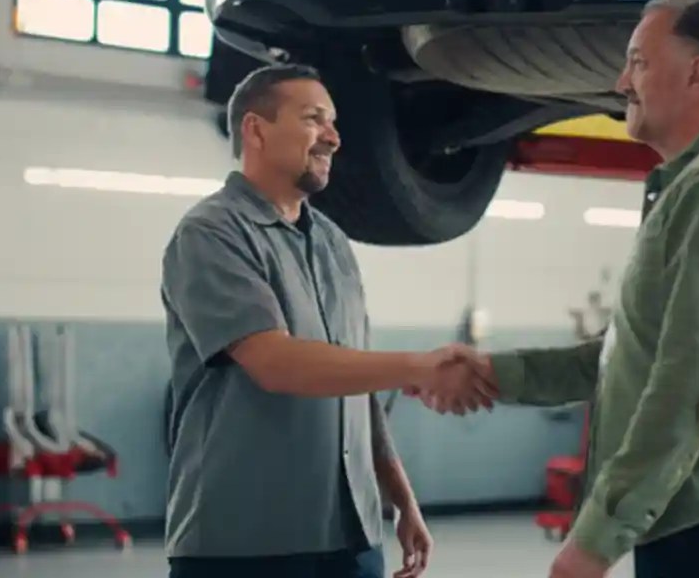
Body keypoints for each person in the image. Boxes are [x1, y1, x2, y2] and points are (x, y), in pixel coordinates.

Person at [415, 0, 699, 578]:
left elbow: (695, 379)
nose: (622, 82)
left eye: (639, 62)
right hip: (698, 515)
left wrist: (597, 540)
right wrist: (494, 372)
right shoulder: (695, 186)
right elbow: (626, 358)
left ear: (698, 74)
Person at [159, 64, 496, 578]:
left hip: (351, 536)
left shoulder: (333, 242)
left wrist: (400, 498)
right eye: (314, 118)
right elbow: (276, 364)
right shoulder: (211, 233)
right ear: (256, 130)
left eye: (333, 122)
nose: (334, 138)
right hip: (244, 541)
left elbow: (357, 383)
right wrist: (420, 366)